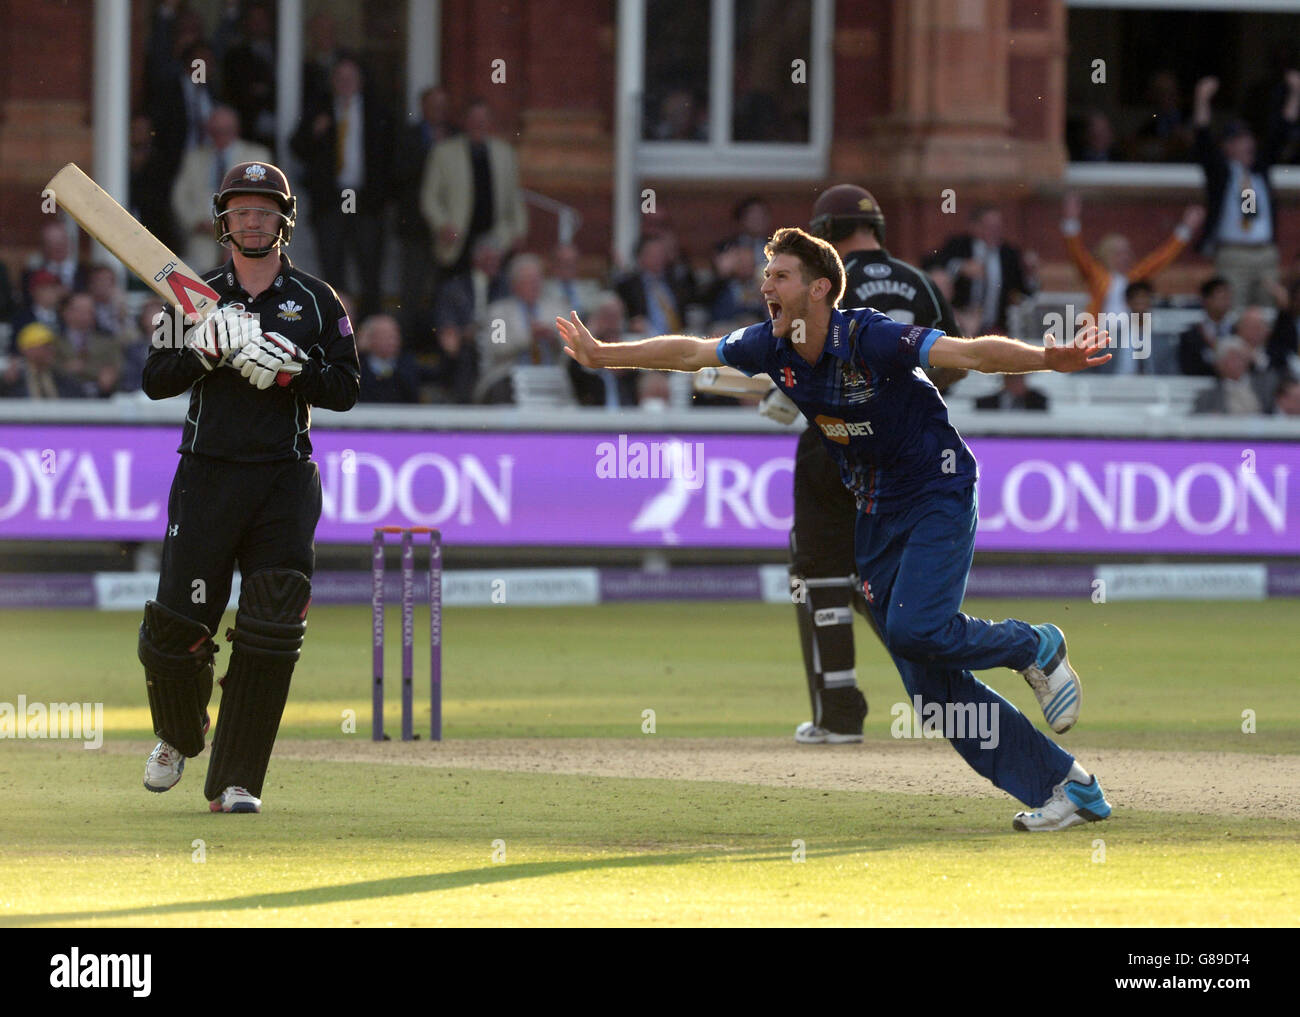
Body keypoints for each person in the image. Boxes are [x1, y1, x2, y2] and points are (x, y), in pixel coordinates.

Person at [558, 226, 1115, 833]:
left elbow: (967, 353)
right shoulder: (771, 346)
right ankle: (1068, 787)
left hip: (938, 492)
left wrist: (1043, 360)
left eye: (780, 276)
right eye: (766, 275)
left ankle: (1033, 645)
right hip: (874, 516)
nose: (765, 284)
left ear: (820, 289)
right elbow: (693, 352)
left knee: (915, 626)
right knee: (932, 694)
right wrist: (602, 354)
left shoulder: (869, 336)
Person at [138, 161, 359, 814]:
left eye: (265, 210)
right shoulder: (192, 296)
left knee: (271, 618)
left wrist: (293, 372)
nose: (253, 221)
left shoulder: (317, 300)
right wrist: (203, 351)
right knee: (182, 619)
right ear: (224, 220)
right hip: (206, 475)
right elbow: (154, 377)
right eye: (242, 211)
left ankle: (238, 778)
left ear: (283, 221)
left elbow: (346, 388)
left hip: (282, 481)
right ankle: (177, 735)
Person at [772, 184, 966, 745]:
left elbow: (791, 353)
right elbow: (954, 361)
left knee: (819, 571)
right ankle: (946, 702)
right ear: (878, 226)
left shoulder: (818, 282)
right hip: (910, 453)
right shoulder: (920, 282)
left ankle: (839, 713)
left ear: (823, 234)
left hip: (834, 441)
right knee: (896, 582)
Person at [290, 54, 393, 318]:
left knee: (369, 269)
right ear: (333, 81)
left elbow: (390, 155)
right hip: (330, 201)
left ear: (360, 81)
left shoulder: (376, 109)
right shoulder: (320, 108)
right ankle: (337, 330)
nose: (346, 83)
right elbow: (297, 147)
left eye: (351, 78)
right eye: (340, 78)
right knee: (332, 270)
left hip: (366, 201)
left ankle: (371, 331)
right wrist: (314, 132)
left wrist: (381, 196)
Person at [1060, 191, 1203, 374]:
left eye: (1127, 252)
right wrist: (1070, 222)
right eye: (1118, 253)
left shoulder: (1134, 278)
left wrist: (1186, 229)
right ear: (1105, 254)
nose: (1124, 257)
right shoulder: (1097, 276)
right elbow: (1077, 254)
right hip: (1101, 337)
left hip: (1131, 337)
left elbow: (1161, 258)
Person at [1192, 72, 1300, 307]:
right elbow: (1202, 138)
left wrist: (1294, 93)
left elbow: (1281, 133)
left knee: (1269, 311)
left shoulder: (1260, 170)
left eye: (1249, 138)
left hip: (1265, 253)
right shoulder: (1221, 173)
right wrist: (1202, 98)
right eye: (1240, 139)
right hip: (1233, 254)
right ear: (1228, 146)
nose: (1248, 143)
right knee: (1233, 310)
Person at [420, 98, 528, 282]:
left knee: (494, 291)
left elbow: (514, 199)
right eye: (474, 119)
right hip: (458, 238)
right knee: (454, 292)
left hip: (495, 239)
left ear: (490, 122)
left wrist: (519, 230)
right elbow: (429, 198)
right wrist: (442, 225)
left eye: (483, 119)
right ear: (465, 121)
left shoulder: (505, 153)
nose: (479, 124)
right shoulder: (443, 152)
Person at [171, 106, 271, 270]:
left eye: (226, 131)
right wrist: (197, 222)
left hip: (244, 238)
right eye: (215, 131)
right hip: (202, 239)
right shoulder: (195, 158)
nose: (220, 136)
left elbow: (263, 198)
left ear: (236, 130)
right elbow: (179, 197)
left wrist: (233, 230)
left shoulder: (257, 156)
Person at [935, 206, 1038, 334]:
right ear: (975, 226)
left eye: (998, 227)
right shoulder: (958, 245)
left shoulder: (1009, 254)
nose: (995, 232)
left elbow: (1026, 293)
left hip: (995, 329)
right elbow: (932, 266)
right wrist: (961, 267)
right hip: (958, 325)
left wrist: (1030, 273)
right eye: (989, 227)